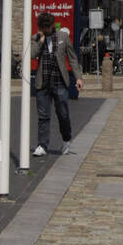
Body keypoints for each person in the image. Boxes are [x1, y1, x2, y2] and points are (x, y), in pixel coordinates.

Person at [31, 12, 80, 156]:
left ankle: (66, 140)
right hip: (43, 82)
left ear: (53, 25)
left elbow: (72, 58)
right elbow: (33, 55)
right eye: (43, 28)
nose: (46, 30)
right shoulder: (36, 38)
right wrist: (40, 41)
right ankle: (42, 145)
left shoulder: (63, 37)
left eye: (48, 27)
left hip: (59, 82)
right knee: (43, 116)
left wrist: (78, 77)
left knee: (63, 114)